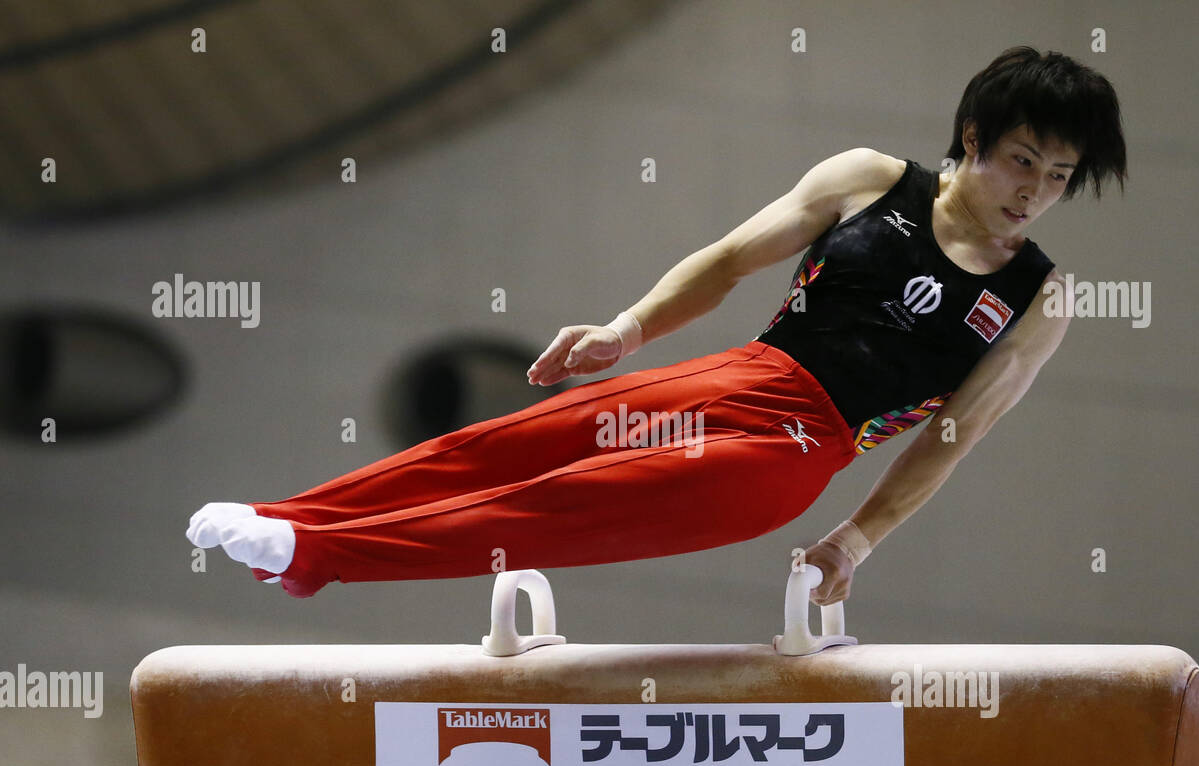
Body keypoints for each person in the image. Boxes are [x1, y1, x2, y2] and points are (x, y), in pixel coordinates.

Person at [187, 45, 1126, 603]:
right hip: (738, 377)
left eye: (1058, 178)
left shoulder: (1040, 302)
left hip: (798, 451)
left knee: (564, 504)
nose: (1035, 194)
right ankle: (291, 525)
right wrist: (624, 332)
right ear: (971, 139)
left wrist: (855, 539)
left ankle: (320, 553)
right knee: (512, 446)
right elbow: (725, 263)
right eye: (1021, 162)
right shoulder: (871, 180)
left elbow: (950, 440)